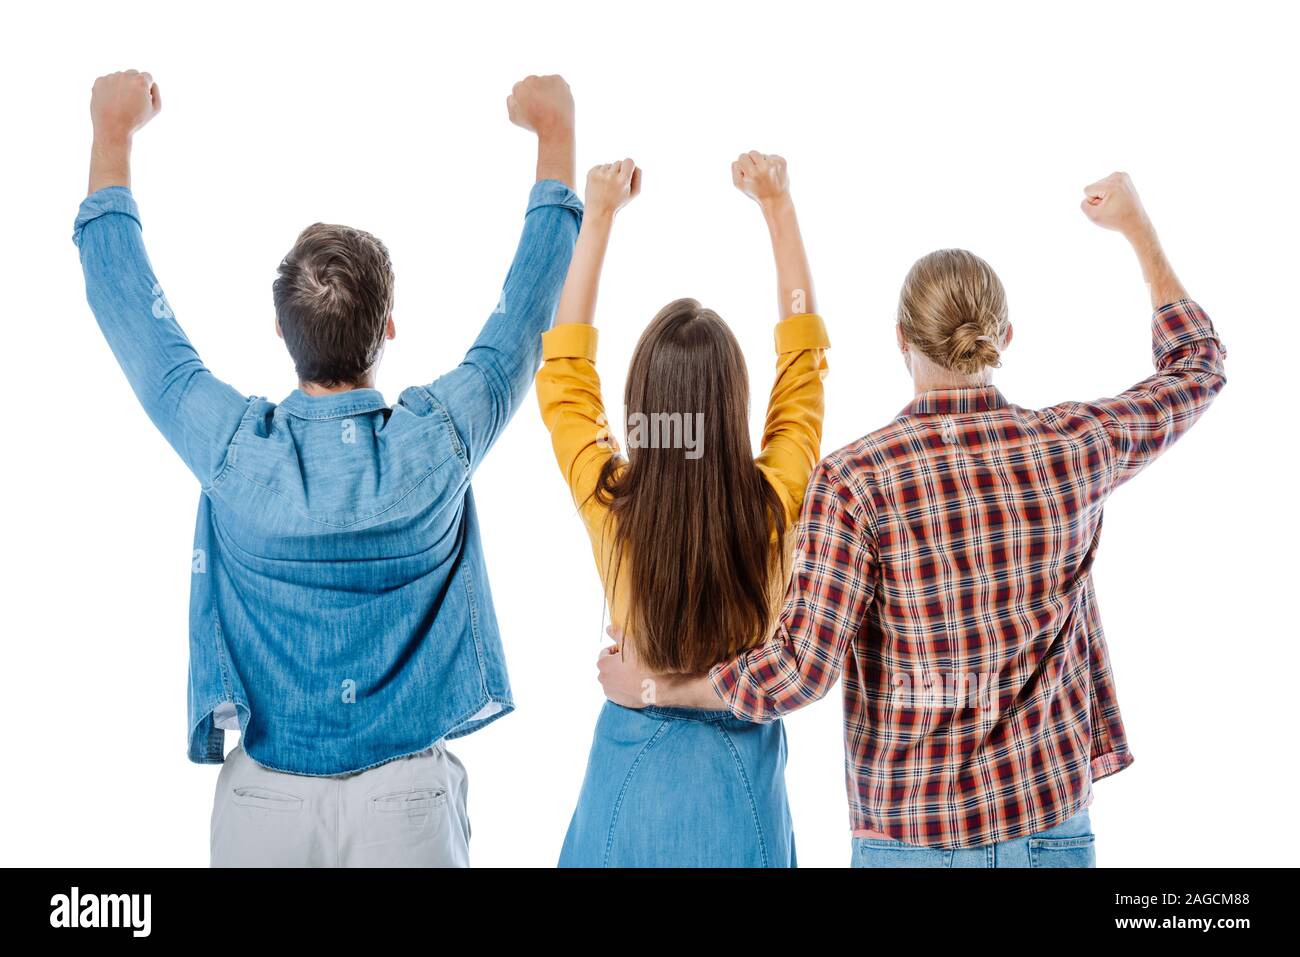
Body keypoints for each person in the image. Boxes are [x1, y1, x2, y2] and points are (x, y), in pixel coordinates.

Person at [598, 172, 1226, 868]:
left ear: (900, 339)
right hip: (1050, 826)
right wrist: (1137, 230)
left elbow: (800, 671)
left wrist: (661, 686)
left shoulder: (856, 482)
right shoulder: (1073, 447)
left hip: (910, 840)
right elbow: (1198, 366)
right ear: (1005, 336)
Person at [73, 70, 583, 867]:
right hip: (408, 803)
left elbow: (129, 311)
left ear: (280, 332)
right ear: (387, 328)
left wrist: (111, 134)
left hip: (263, 802)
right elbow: (526, 313)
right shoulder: (439, 438)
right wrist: (556, 133)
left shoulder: (234, 449)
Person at [537, 152, 829, 866]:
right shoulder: (776, 502)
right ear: (733, 408)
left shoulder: (614, 505)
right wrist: (777, 204)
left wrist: (598, 215)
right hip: (741, 798)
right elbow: (804, 367)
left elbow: (565, 376)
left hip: (627, 791)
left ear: (643, 407)